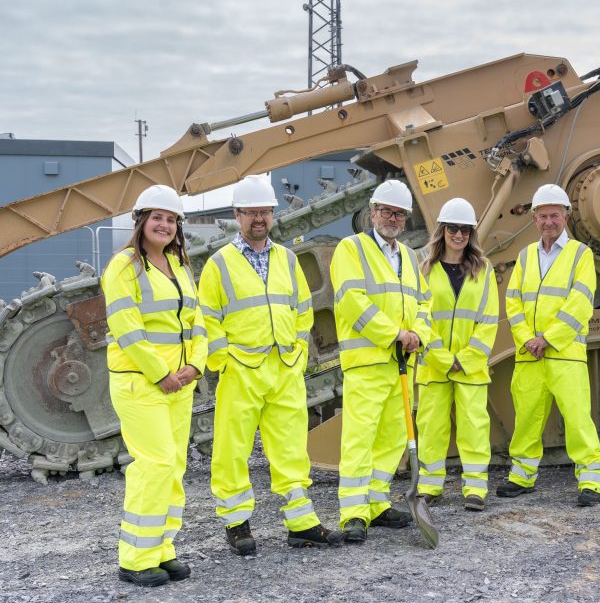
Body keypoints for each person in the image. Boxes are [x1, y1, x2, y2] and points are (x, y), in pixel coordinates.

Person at [199, 174, 342, 555]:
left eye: (264, 212)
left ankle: (302, 522)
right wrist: (222, 359)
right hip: (240, 370)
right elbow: (207, 318)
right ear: (237, 215)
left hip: (284, 368)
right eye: (251, 213)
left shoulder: (286, 259)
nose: (259, 219)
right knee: (232, 448)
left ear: (273, 215)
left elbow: (302, 308)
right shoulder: (219, 264)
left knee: (291, 447)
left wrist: (296, 350)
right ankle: (237, 523)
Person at [103, 184, 206, 587]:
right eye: (157, 217)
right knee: (155, 464)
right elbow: (126, 329)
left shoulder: (180, 267)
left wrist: (195, 366)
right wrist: (161, 374)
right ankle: (134, 558)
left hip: (178, 385)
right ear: (141, 220)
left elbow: (199, 324)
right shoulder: (124, 267)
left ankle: (162, 549)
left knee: (174, 468)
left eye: (171, 219)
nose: (164, 225)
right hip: (141, 384)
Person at [331, 179, 434, 542]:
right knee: (360, 437)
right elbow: (351, 300)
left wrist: (420, 333)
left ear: (405, 219)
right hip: (368, 360)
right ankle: (353, 513)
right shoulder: (351, 249)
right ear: (372, 212)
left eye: (399, 214)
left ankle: (376, 503)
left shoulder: (409, 256)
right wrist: (393, 334)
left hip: (401, 364)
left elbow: (424, 302)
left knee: (392, 438)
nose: (392, 218)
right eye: (386, 211)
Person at [499, 183, 600, 506]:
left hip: (564, 353)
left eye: (555, 215)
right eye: (543, 216)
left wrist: (547, 339)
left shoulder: (580, 255)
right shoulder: (526, 255)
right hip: (530, 355)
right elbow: (513, 300)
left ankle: (590, 479)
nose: (549, 222)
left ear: (566, 216)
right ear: (534, 219)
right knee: (527, 417)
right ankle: (522, 475)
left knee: (577, 419)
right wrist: (527, 341)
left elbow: (581, 301)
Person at [415, 198, 499, 512]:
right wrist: (441, 357)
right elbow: (420, 316)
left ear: (471, 234)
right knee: (431, 427)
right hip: (435, 366)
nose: (459, 235)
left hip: (470, 366)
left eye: (465, 229)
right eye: (453, 228)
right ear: (442, 231)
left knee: (473, 427)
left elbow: (489, 319)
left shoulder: (483, 269)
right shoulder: (425, 267)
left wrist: (465, 358)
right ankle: (429, 486)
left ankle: (475, 489)